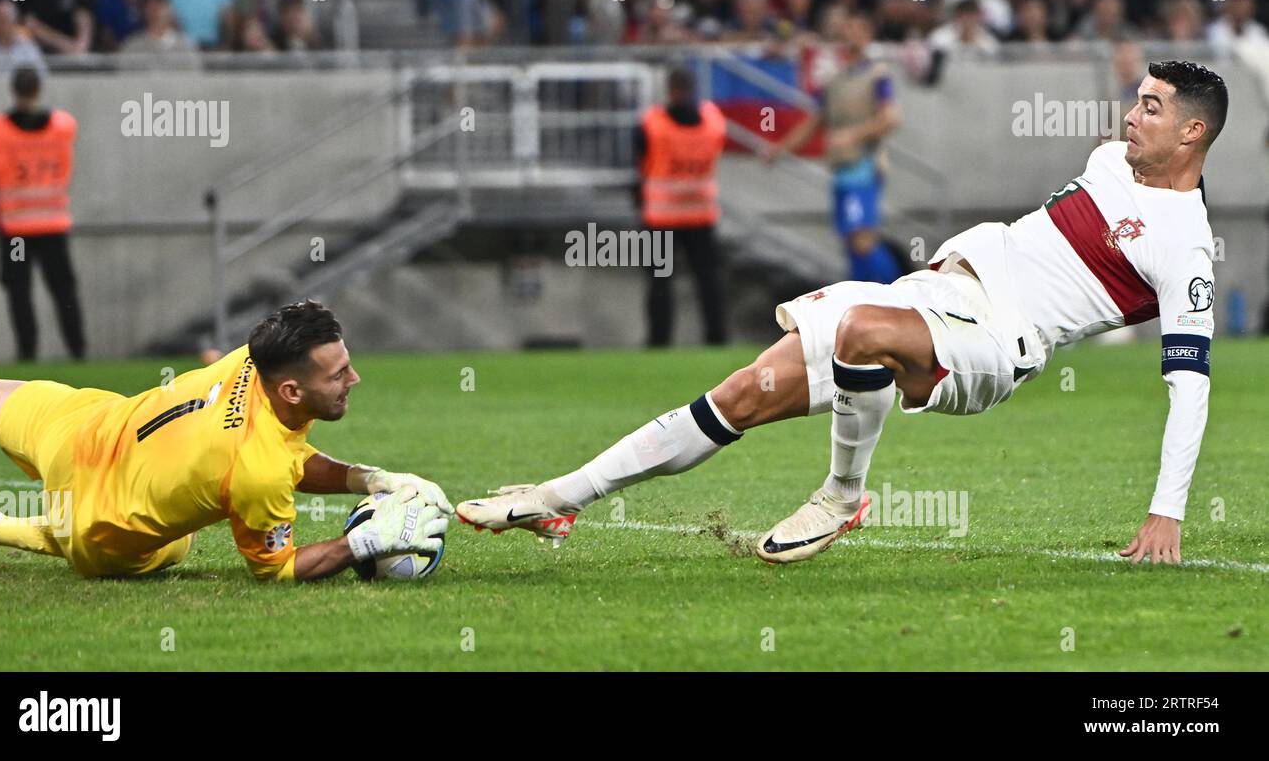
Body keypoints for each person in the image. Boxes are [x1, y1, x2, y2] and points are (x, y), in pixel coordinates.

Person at [458, 61, 1224, 569]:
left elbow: (1189, 384)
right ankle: (558, 499)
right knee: (747, 389)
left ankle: (842, 492)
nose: (1131, 115)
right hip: (934, 292)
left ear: (1192, 132)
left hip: (999, 342)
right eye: (1135, 99)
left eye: (1151, 107)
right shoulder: (1109, 160)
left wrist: (1167, 512)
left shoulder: (1186, 244)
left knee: (862, 333)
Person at [0, 301, 452, 581]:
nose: (355, 378)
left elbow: (284, 454)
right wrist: (362, 543)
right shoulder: (256, 473)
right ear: (291, 390)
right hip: (102, 530)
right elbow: (277, 569)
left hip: (81, 431)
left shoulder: (256, 355)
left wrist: (367, 479)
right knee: (176, 543)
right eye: (339, 373)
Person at [768, 10, 902, 284]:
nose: (851, 34)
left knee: (862, 237)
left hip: (863, 165)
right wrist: (779, 148)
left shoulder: (877, 75)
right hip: (840, 169)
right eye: (847, 29)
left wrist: (854, 134)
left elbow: (890, 119)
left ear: (867, 36)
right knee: (849, 240)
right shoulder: (834, 80)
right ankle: (861, 298)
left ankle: (897, 291)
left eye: (858, 29)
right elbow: (814, 122)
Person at [0, 66, 86, 362]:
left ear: (13, 90)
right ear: (38, 88)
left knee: (19, 291)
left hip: (17, 233)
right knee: (63, 290)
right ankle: (77, 351)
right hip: (53, 226)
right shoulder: (64, 126)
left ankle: (27, 354)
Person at [639, 66, 728, 347]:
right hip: (701, 214)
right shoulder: (714, 122)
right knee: (708, 281)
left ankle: (658, 341)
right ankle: (716, 338)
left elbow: (639, 161)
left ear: (670, 90)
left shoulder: (653, 123)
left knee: (661, 283)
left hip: (661, 217)